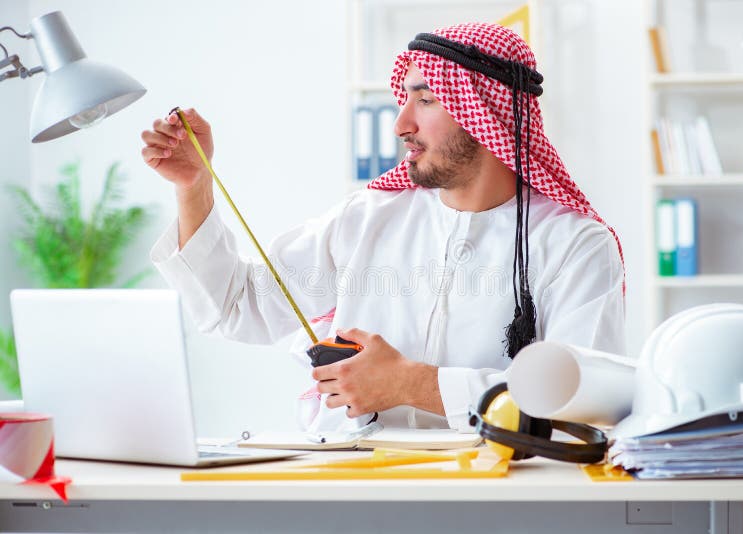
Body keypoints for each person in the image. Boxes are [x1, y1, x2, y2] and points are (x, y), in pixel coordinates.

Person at [141, 22, 625, 433]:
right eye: (404, 99)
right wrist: (193, 184)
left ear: (490, 113)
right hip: (353, 492)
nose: (400, 124)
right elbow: (236, 306)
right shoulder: (366, 218)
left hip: (497, 501)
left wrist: (411, 384)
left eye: (428, 100)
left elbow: (580, 401)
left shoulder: (575, 245)